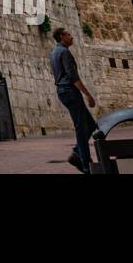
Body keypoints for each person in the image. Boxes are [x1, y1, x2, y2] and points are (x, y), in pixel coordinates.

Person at [50, 27, 97, 173]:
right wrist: (88, 95)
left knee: (90, 125)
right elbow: (73, 77)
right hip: (70, 91)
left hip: (62, 91)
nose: (72, 37)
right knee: (81, 127)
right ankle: (85, 163)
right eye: (69, 34)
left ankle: (77, 152)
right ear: (61, 36)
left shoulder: (54, 53)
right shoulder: (65, 52)